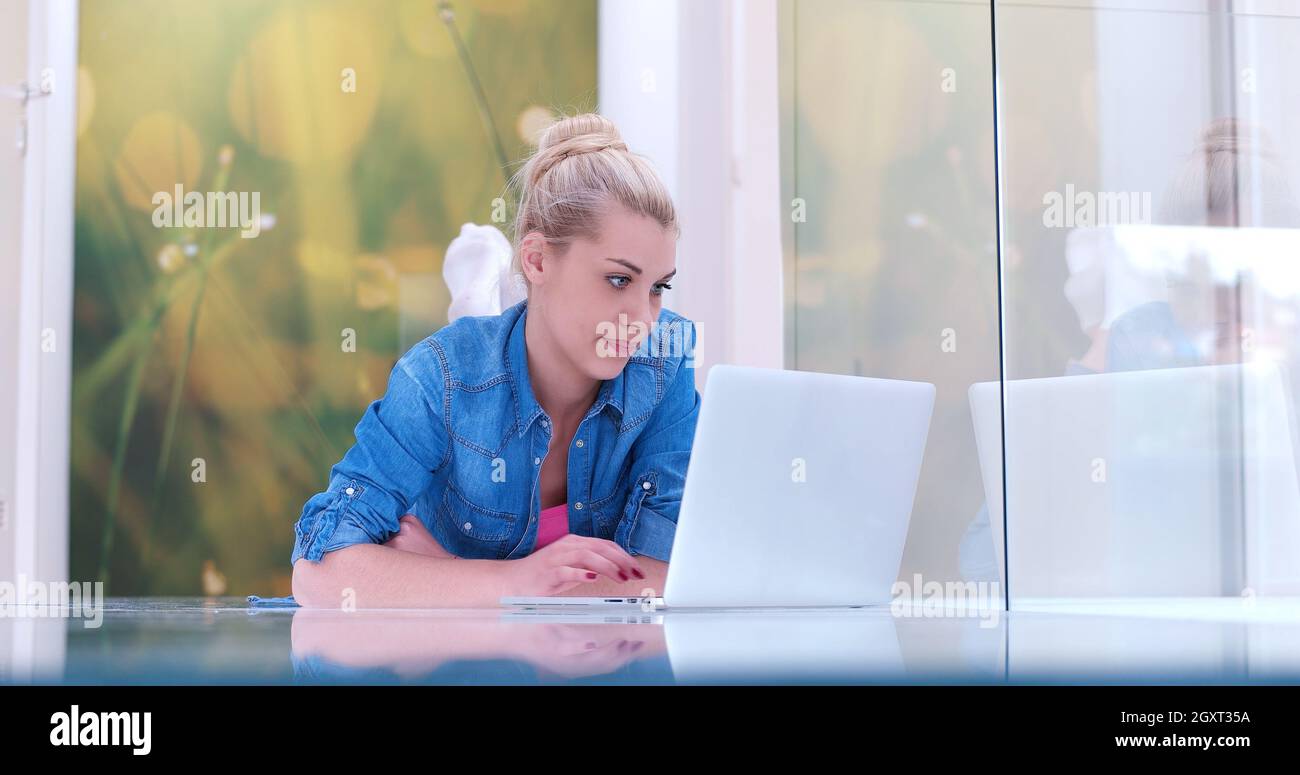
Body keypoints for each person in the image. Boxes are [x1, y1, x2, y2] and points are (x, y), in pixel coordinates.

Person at [290, 113, 698, 608]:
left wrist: (450, 572)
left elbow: (675, 577)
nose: (642, 319)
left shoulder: (663, 361)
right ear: (537, 260)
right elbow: (321, 572)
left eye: (658, 287)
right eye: (618, 280)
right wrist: (516, 582)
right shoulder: (443, 378)